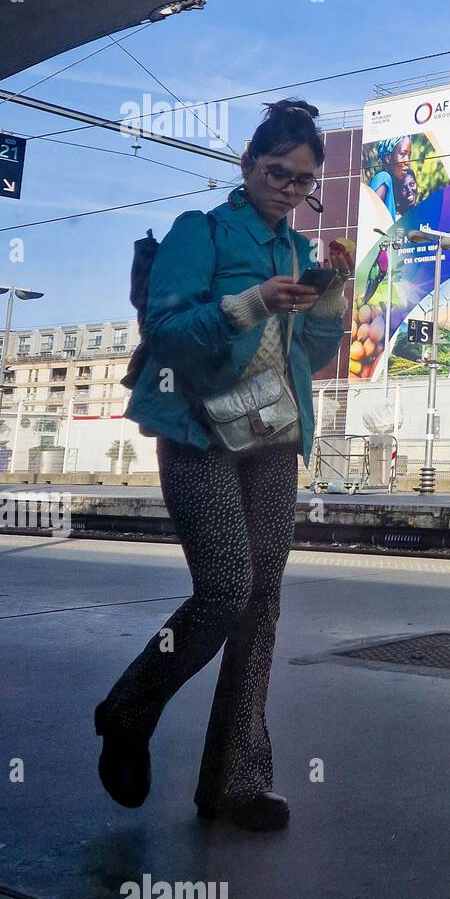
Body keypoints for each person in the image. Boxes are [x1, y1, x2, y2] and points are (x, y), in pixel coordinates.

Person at [95, 99, 352, 832]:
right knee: (226, 590)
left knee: (262, 603)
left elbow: (310, 356)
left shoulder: (295, 255)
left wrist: (329, 301)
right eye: (278, 173)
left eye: (304, 182)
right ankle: (127, 711)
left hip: (272, 440)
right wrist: (249, 304)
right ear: (248, 164)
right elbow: (172, 331)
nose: (289, 190)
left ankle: (235, 780)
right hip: (199, 432)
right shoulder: (197, 233)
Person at [369, 136, 419, 219]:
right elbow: (371, 221)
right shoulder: (383, 178)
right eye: (403, 154)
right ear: (388, 157)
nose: (407, 161)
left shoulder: (393, 189)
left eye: (409, 155)